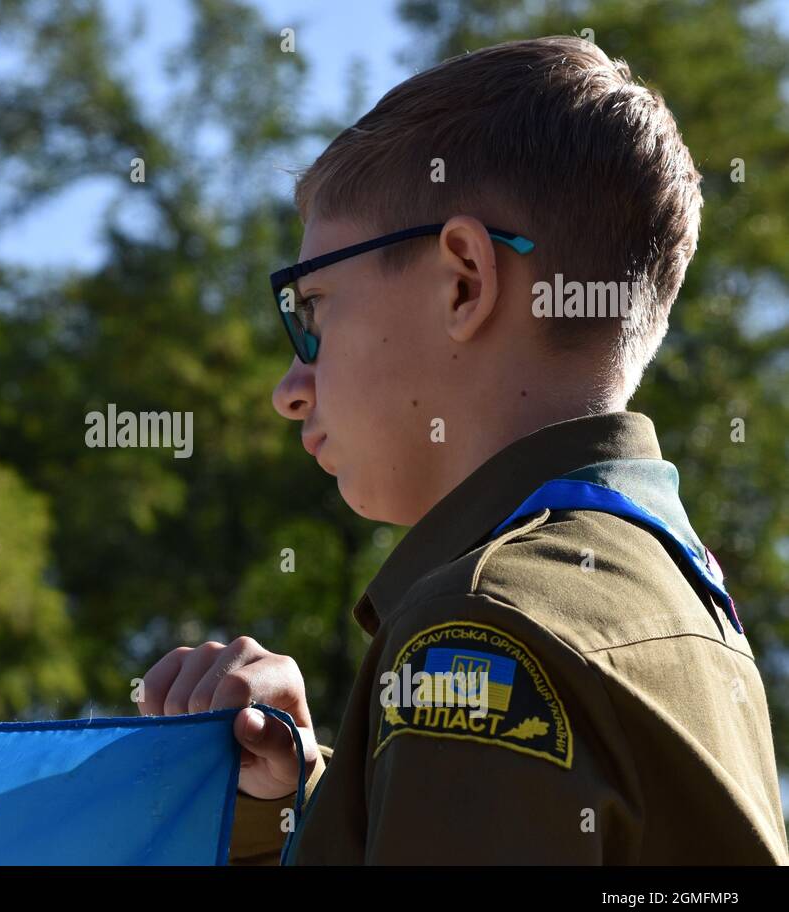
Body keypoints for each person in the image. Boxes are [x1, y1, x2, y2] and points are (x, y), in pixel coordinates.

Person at [138, 35, 788, 864]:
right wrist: (298, 796)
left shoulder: (483, 632)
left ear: (464, 283)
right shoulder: (684, 605)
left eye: (313, 310)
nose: (290, 386)